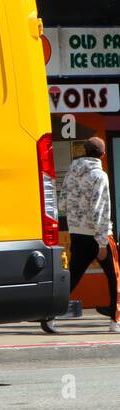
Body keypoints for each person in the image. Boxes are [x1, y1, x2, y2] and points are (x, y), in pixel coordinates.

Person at [47, 137, 120, 333]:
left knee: (73, 277)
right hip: (98, 234)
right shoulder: (100, 175)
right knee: (115, 276)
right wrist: (103, 241)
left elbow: (62, 203)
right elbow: (101, 209)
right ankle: (115, 320)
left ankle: (49, 316)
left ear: (84, 151)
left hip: (77, 233)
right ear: (103, 155)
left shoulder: (72, 172)